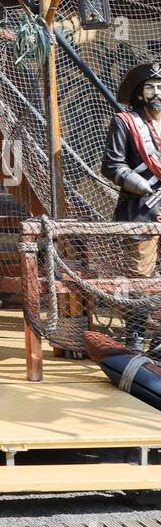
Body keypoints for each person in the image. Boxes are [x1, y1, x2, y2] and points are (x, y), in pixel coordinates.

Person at [101, 61, 161, 349]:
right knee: (140, 278)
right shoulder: (124, 122)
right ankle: (136, 336)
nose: (157, 92)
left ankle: (159, 338)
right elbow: (112, 165)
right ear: (139, 93)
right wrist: (142, 185)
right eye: (151, 87)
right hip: (142, 208)